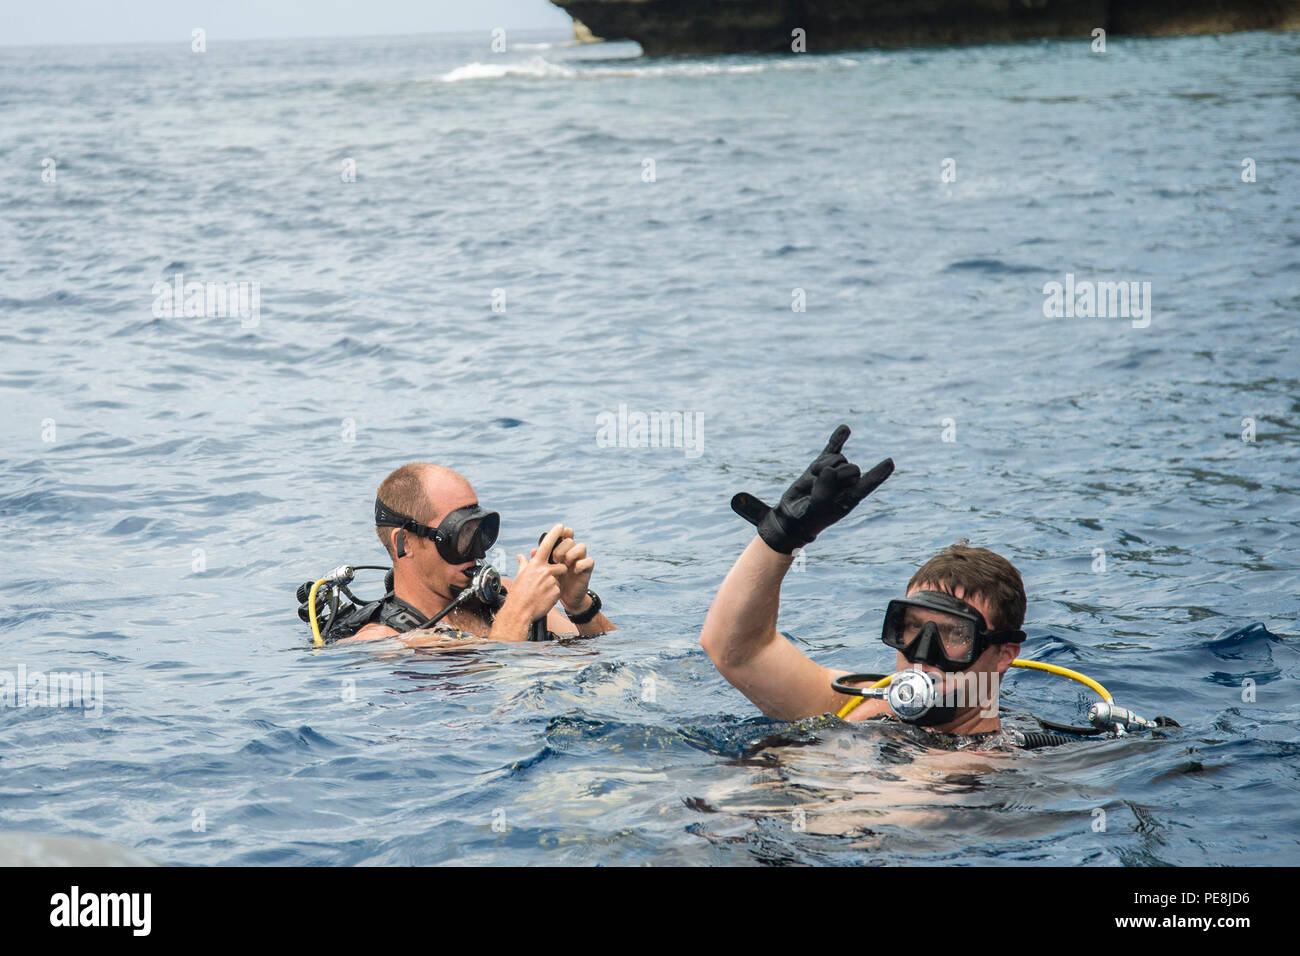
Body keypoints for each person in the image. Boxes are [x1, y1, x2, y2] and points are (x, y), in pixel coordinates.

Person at [699, 425, 1025, 736]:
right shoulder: (857, 704)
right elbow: (737, 652)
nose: (922, 653)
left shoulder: (985, 768)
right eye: (913, 627)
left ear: (1002, 655)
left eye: (954, 633)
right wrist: (783, 534)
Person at [339, 462, 614, 647]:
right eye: (458, 536)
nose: (477, 551)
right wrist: (519, 611)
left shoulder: (505, 595)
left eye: (479, 531)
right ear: (406, 543)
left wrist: (580, 607)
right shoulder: (384, 641)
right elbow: (497, 700)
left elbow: (605, 658)